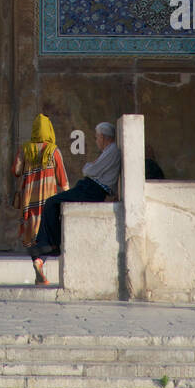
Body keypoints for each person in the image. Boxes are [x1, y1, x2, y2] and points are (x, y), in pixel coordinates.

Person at [29, 121, 121, 285]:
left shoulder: (112, 150)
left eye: (97, 137)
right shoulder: (109, 151)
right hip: (90, 187)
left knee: (51, 202)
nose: (96, 141)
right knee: (52, 204)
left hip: (93, 190)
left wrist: (89, 167)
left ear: (104, 137)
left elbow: (89, 170)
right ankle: (47, 245)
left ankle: (49, 245)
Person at [11, 113, 69, 247]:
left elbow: (16, 171)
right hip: (48, 198)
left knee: (31, 224)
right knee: (46, 220)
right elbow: (63, 179)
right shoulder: (53, 151)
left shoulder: (25, 149)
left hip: (29, 197)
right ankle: (42, 250)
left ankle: (33, 249)